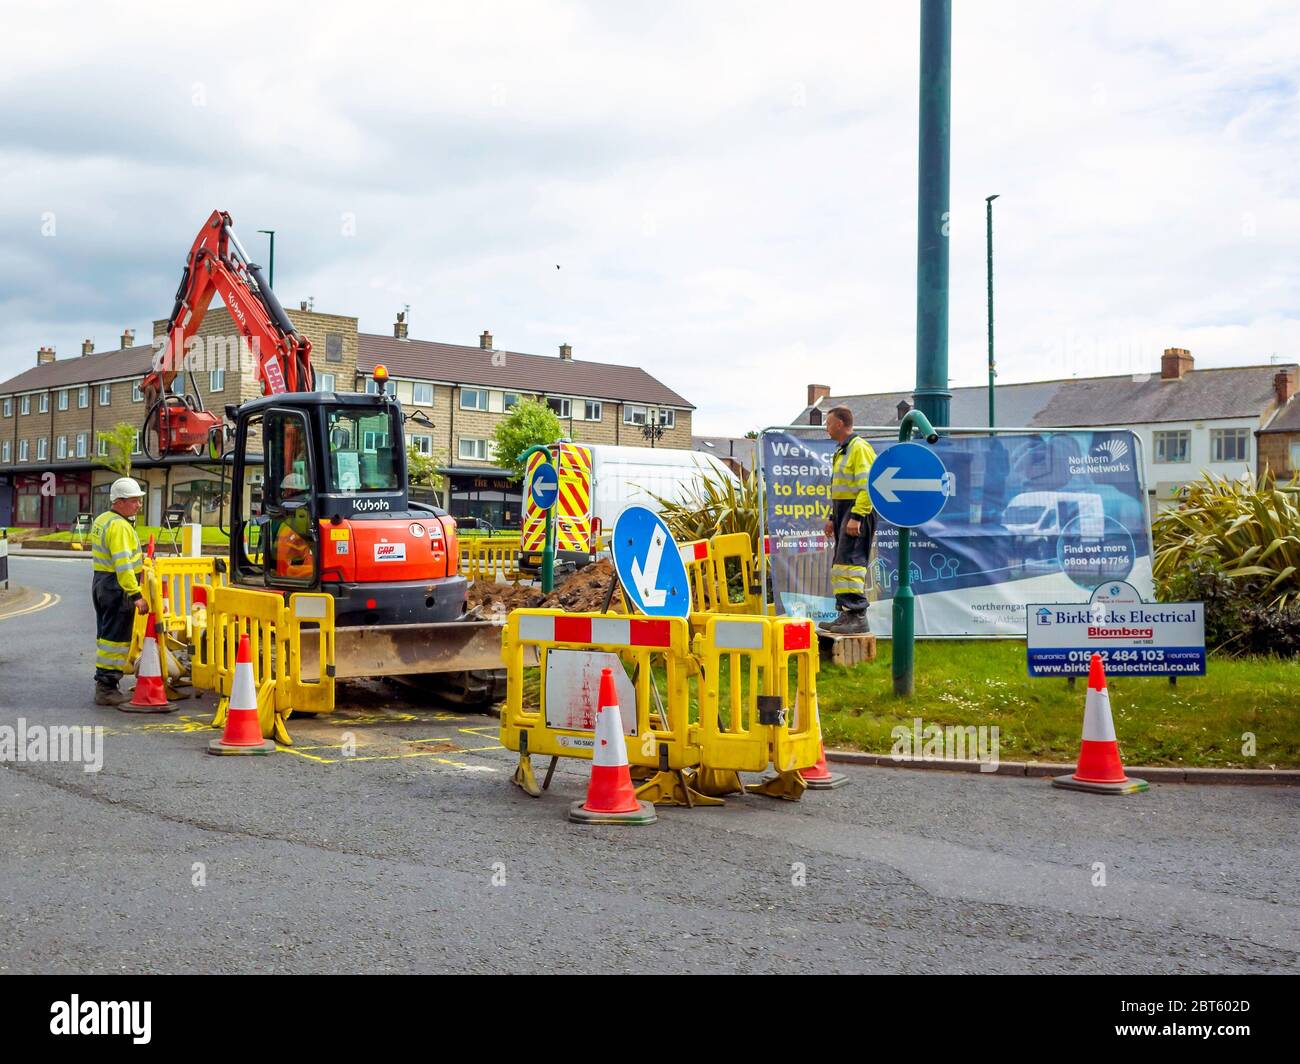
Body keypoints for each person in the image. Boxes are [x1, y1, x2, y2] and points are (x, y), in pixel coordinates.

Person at [90, 477, 150, 705]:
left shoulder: (103, 520)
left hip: (102, 582)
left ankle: (105, 684)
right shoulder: (120, 526)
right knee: (115, 639)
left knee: (107, 636)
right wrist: (136, 595)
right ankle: (106, 688)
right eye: (135, 501)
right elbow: (123, 564)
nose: (139, 505)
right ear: (121, 502)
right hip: (118, 587)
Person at [821, 406, 877, 634]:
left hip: (858, 513)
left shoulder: (859, 448)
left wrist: (856, 517)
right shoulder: (842, 450)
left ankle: (858, 616)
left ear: (840, 424)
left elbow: (868, 486)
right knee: (842, 565)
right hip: (845, 511)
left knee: (852, 564)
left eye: (828, 423)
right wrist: (833, 517)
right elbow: (841, 489)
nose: (826, 427)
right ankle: (847, 614)